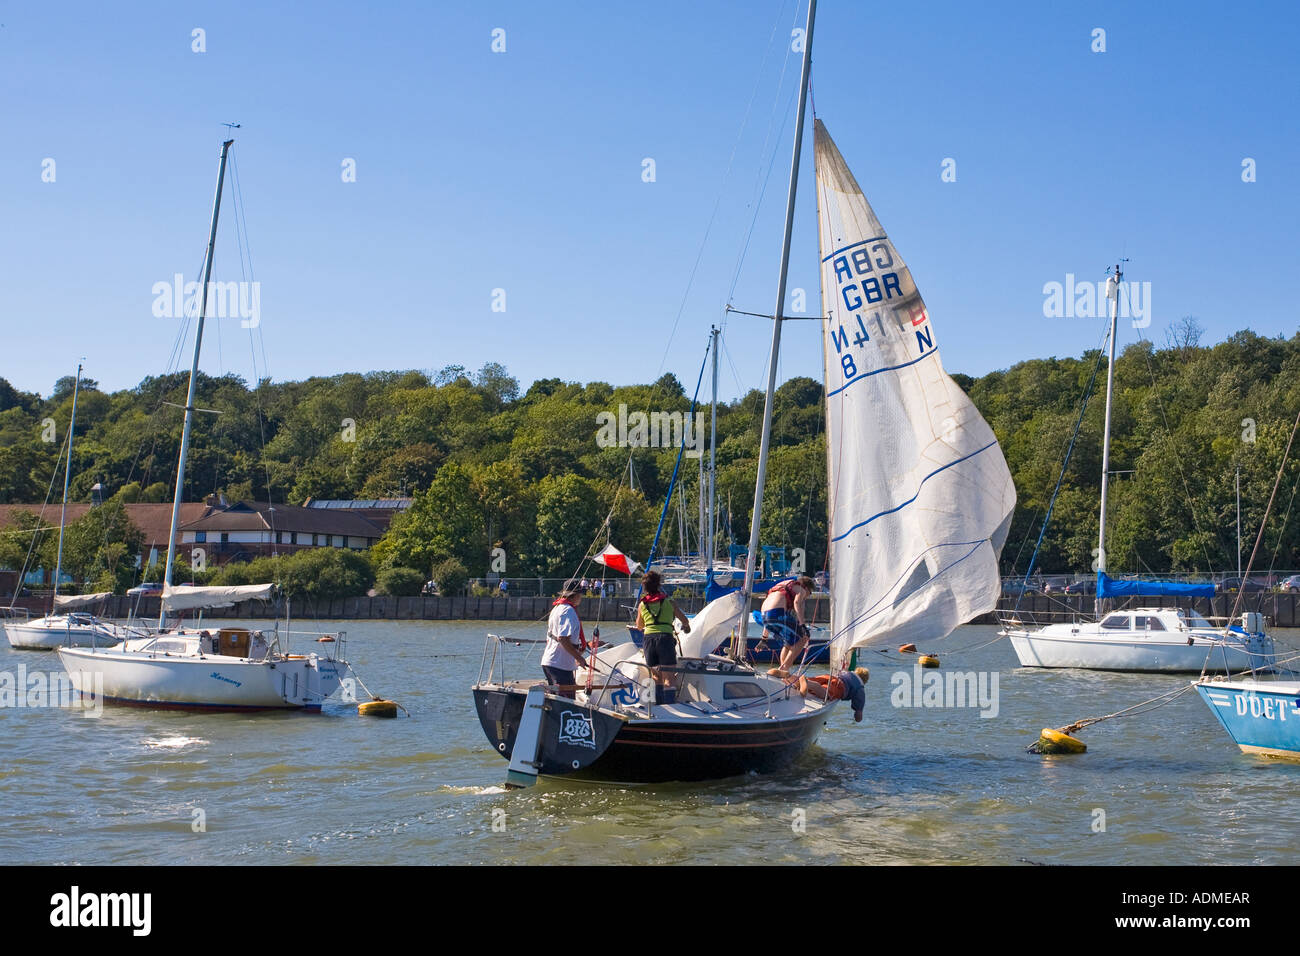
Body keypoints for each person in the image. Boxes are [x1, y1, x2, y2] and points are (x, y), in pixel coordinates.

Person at [636, 571, 690, 704]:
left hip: (649, 640)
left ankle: (659, 706)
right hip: (665, 640)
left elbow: (639, 626)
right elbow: (683, 619)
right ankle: (670, 707)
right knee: (669, 678)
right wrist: (686, 626)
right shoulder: (669, 601)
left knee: (656, 675)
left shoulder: (642, 604)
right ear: (659, 585)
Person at [761, 575, 816, 676]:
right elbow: (796, 603)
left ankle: (782, 671)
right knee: (803, 639)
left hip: (764, 616)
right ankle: (784, 670)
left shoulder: (780, 588)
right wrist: (802, 625)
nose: (807, 596)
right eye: (810, 593)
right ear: (807, 588)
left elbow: (769, 617)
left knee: (788, 642)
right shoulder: (802, 589)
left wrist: (764, 638)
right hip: (777, 613)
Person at [541, 582, 588, 700]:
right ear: (575, 595)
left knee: (560, 698)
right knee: (566, 701)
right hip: (559, 664)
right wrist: (579, 658)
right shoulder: (568, 611)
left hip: (554, 662)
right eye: (580, 595)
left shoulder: (557, 608)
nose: (581, 598)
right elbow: (563, 639)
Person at [798, 667, 870, 722]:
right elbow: (859, 715)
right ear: (865, 680)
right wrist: (857, 717)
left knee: (815, 680)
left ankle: (794, 679)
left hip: (831, 677)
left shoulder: (848, 672)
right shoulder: (860, 687)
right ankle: (808, 683)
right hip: (840, 686)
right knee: (825, 693)